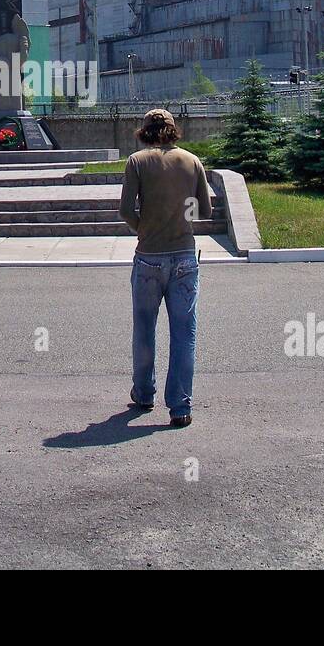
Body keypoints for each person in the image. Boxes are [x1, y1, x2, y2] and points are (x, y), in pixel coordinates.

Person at [119, 108, 213, 427]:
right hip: (185, 257)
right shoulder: (191, 161)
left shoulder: (137, 161)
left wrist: (144, 227)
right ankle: (180, 407)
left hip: (148, 257)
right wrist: (180, 219)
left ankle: (144, 393)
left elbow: (124, 209)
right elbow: (205, 209)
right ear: (174, 131)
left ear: (144, 132)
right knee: (184, 332)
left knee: (144, 328)